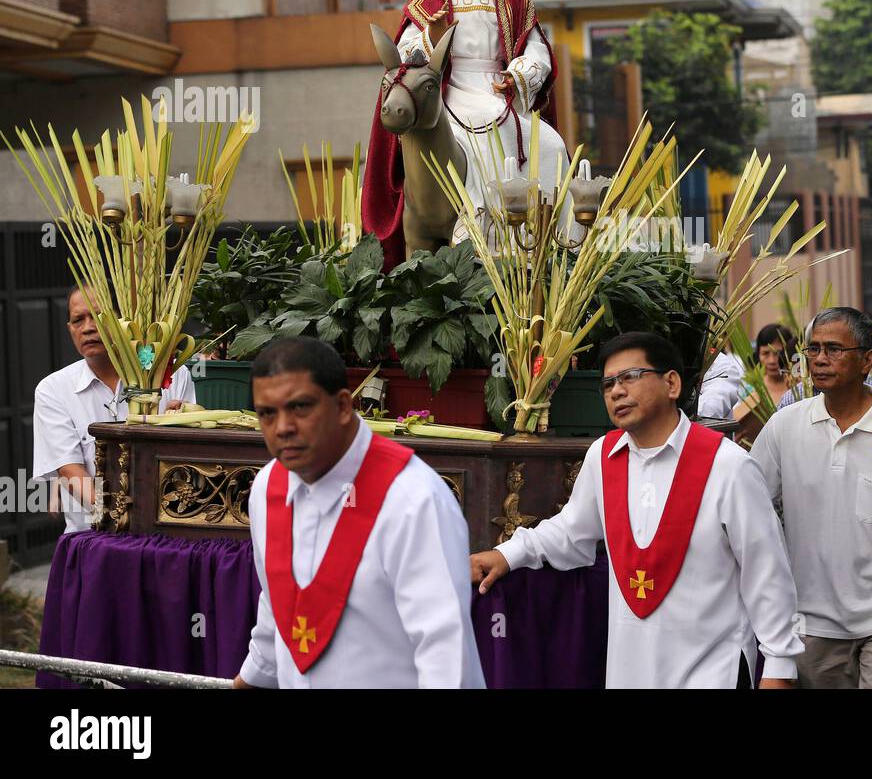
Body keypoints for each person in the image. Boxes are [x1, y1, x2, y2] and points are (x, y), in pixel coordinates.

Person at [471, 331, 803, 688]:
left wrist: (779, 668)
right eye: (608, 383)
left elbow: (766, 572)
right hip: (630, 668)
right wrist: (508, 554)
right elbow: (570, 531)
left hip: (711, 670)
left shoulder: (728, 466)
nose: (616, 391)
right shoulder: (604, 456)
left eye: (630, 377)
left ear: (672, 383)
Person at [234, 337, 482, 689]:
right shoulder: (266, 489)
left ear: (343, 406)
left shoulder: (413, 499)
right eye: (267, 414)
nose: (283, 427)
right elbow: (279, 608)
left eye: (300, 407)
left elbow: (446, 658)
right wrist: (250, 679)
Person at [363, 0, 561, 268]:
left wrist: (518, 75)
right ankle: (468, 224)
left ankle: (545, 237)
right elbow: (404, 51)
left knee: (552, 144)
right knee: (460, 136)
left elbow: (538, 49)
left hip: (498, 88)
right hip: (447, 88)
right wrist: (432, 38)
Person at [751, 308, 872, 689]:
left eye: (834, 349)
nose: (819, 359)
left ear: (868, 359)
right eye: (813, 349)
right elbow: (751, 507)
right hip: (813, 618)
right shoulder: (785, 426)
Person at [33, 285, 194, 533]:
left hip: (166, 533)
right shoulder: (53, 390)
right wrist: (120, 518)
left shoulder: (169, 374)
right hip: (94, 536)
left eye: (98, 317)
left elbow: (189, 459)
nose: (87, 327)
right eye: (78, 320)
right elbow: (69, 469)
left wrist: (183, 423)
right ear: (70, 329)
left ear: (125, 322)